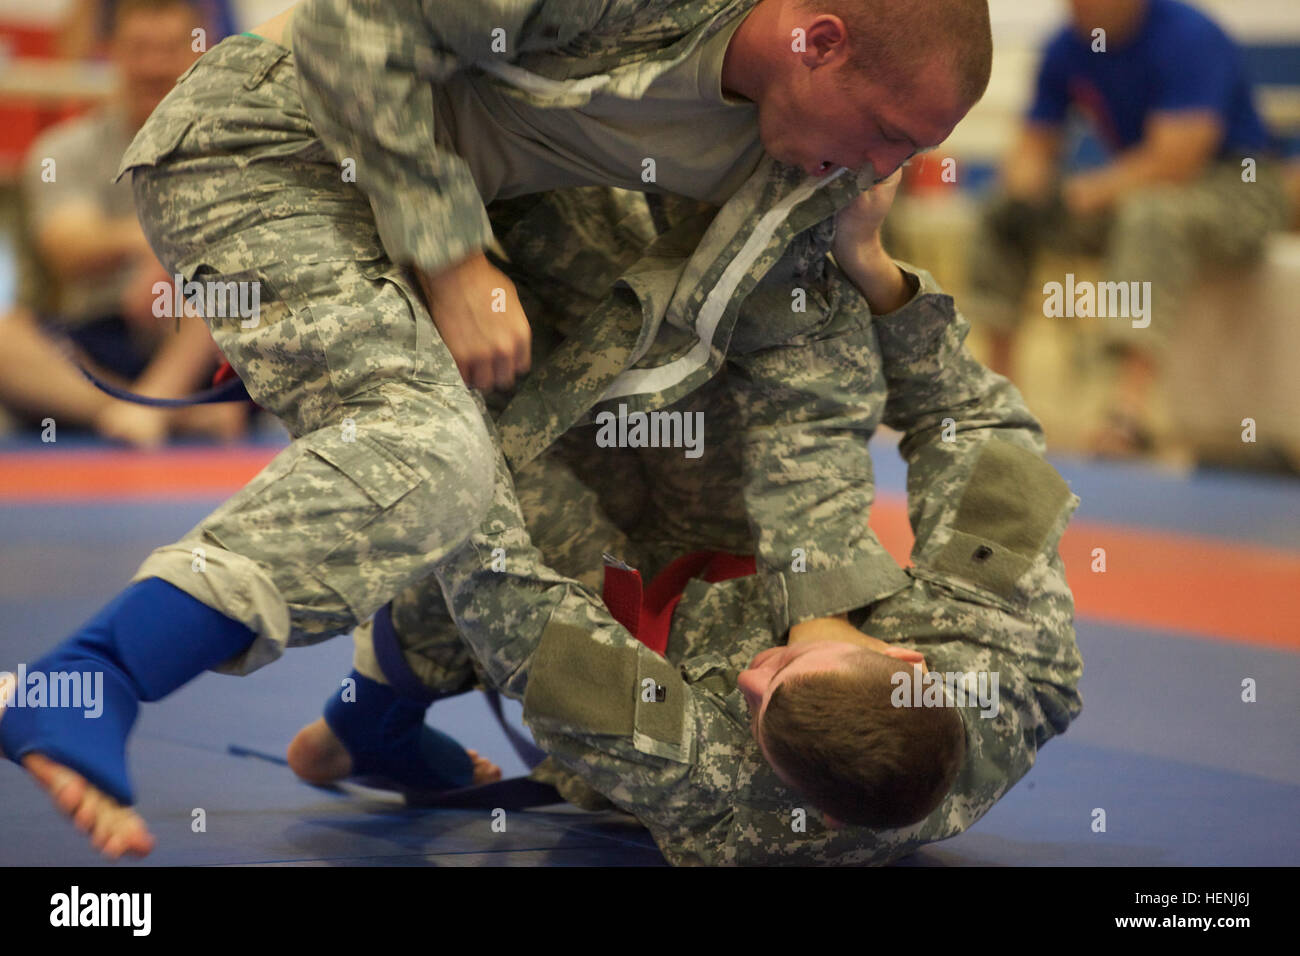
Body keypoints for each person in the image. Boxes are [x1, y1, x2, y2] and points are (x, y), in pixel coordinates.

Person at [0, 0, 995, 856]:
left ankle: (377, 715)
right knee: (434, 453)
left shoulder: (812, 166)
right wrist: (449, 257)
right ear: (818, 41)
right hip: (276, 153)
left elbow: (797, 381)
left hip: (483, 214)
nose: (885, 170)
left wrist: (819, 603)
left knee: (546, 480)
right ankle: (93, 674)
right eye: (886, 133)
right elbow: (355, 24)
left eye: (911, 151)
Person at [288, 229, 1083, 864]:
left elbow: (512, 608)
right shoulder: (1009, 669)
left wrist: (438, 407)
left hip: (634, 623)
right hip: (742, 552)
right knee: (694, 355)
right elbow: (981, 432)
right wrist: (878, 275)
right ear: (913, 666)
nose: (750, 672)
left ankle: (370, 711)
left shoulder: (703, 780)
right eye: (784, 667)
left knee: (471, 479)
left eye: (754, 703)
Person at [965, 0, 1290, 455]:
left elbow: (1177, 159)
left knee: (1151, 214)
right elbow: (1034, 143)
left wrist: (1085, 194)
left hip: (1240, 187)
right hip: (1135, 189)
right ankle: (999, 395)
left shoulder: (1189, 35)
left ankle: (1128, 412)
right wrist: (1025, 196)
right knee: (1001, 212)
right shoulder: (1067, 47)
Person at [0, 0, 247, 447]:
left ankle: (152, 404)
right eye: (139, 48)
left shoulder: (239, 148)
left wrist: (180, 266)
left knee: (221, 280)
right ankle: (151, 412)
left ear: (200, 50)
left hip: (205, 339)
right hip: (96, 346)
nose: (153, 65)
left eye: (170, 47)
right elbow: (69, 249)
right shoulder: (64, 151)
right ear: (111, 51)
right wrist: (156, 246)